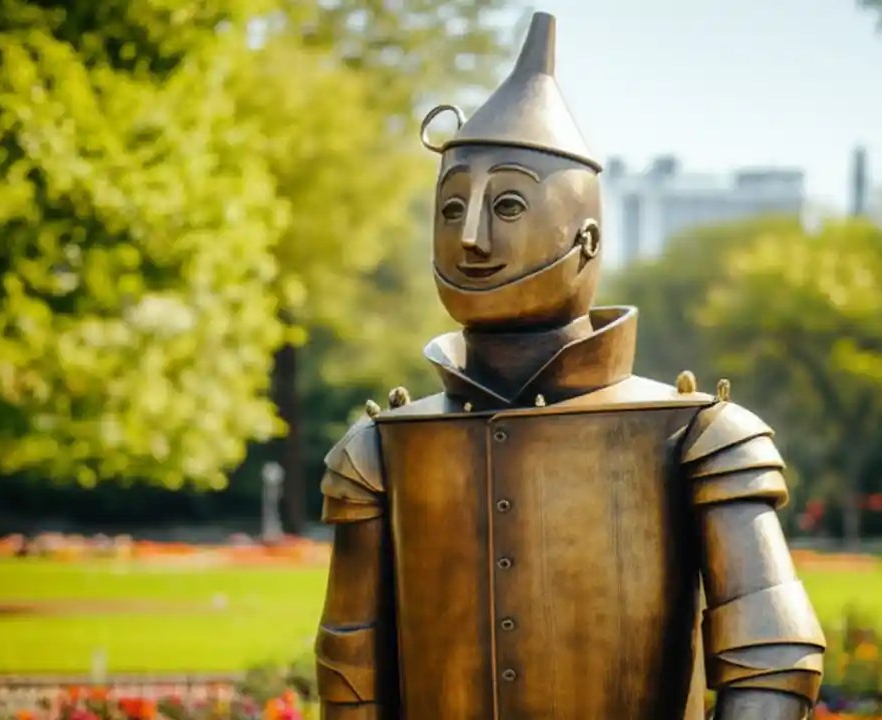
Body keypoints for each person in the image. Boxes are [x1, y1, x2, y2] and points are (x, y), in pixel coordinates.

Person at [313, 12, 824, 720]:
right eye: (452, 205)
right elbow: (351, 674)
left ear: (586, 240)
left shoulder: (700, 437)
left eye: (510, 204)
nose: (470, 237)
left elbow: (772, 657)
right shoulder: (380, 449)